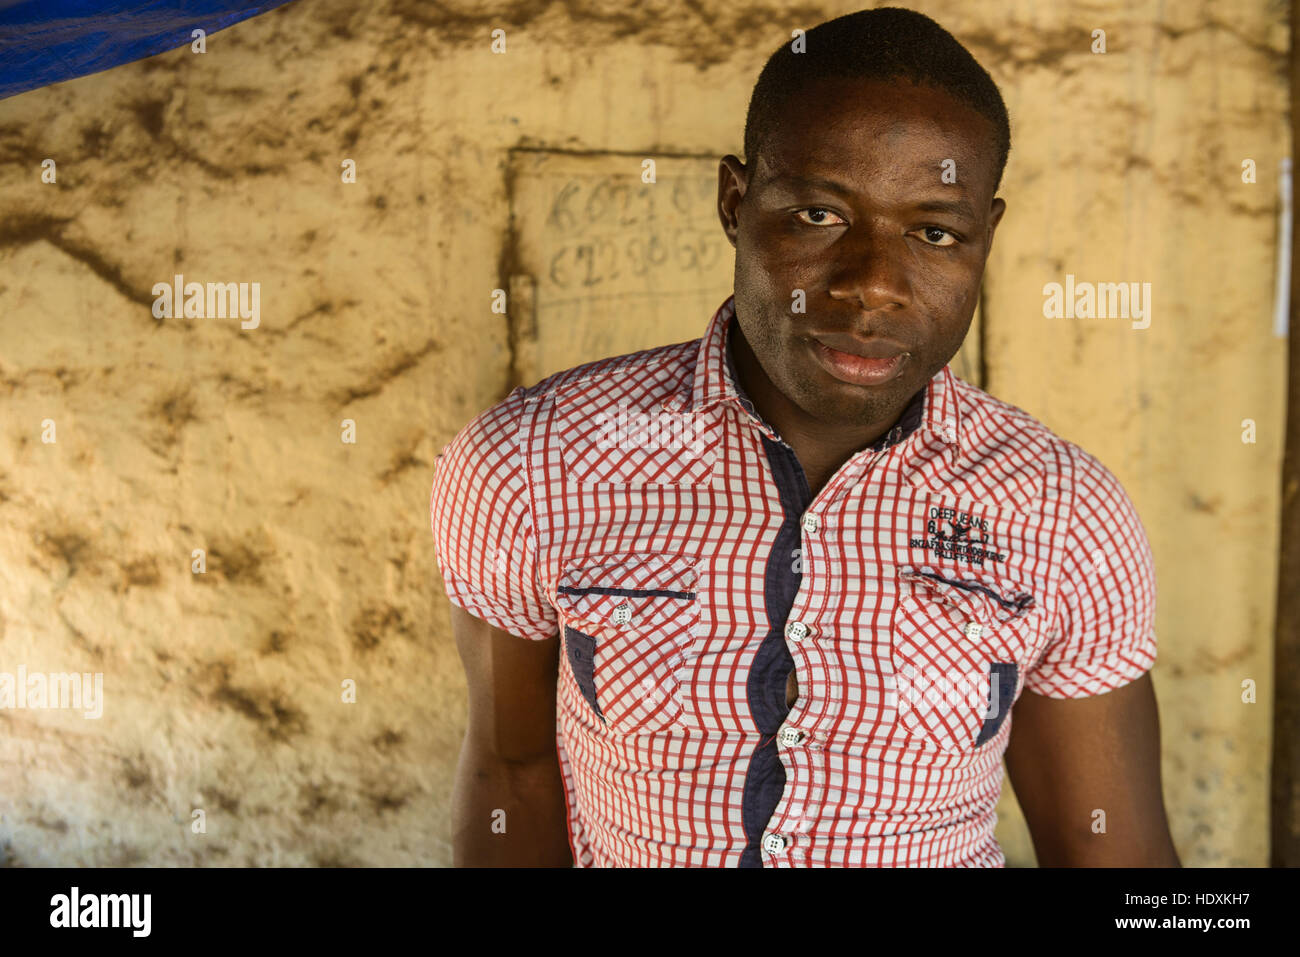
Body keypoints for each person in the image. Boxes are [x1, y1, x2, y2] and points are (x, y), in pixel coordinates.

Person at [431, 6, 1180, 867]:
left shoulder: (1065, 513)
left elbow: (1116, 859)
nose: (873, 287)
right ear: (736, 203)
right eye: (820, 215)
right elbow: (512, 769)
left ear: (984, 240)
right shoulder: (533, 462)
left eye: (935, 233)